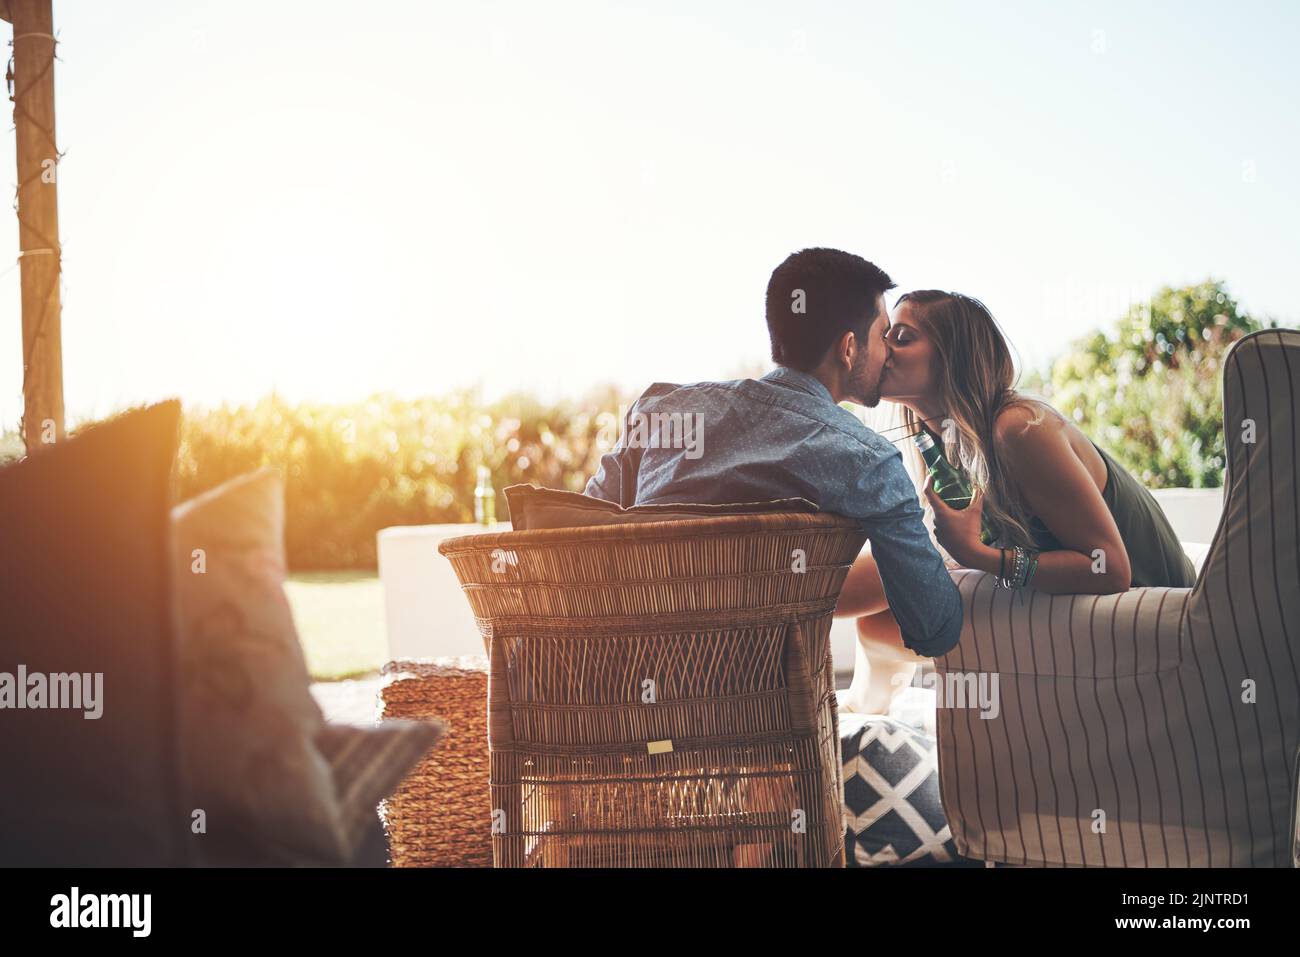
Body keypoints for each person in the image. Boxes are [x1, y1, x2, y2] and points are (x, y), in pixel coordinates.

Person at [584, 248, 963, 659]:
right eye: (882, 335)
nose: (888, 352)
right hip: (764, 702)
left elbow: (572, 535)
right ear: (849, 348)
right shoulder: (868, 461)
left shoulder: (661, 410)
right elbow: (934, 628)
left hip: (619, 682)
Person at [837, 289, 1197, 714]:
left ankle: (857, 721)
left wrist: (977, 553)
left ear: (954, 356)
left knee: (912, 586)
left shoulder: (1018, 428)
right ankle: (861, 723)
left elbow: (1112, 568)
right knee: (877, 625)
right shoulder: (945, 445)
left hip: (1149, 617)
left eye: (902, 337)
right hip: (1086, 607)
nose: (883, 351)